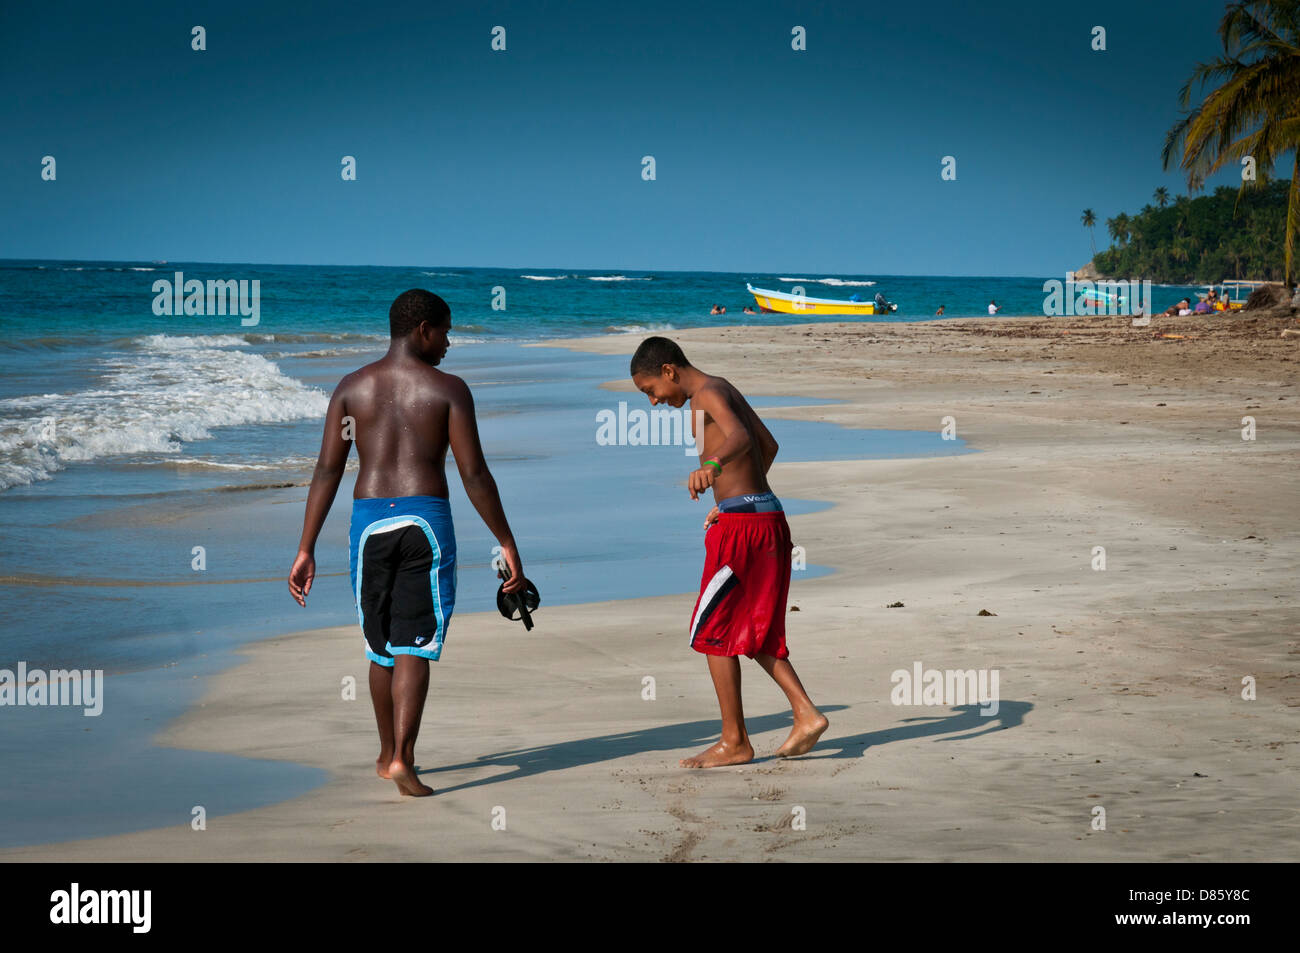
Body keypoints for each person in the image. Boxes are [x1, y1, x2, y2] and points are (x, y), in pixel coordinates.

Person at [288, 289, 526, 797]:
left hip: (368, 522)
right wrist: (506, 540)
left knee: (380, 650)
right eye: (445, 331)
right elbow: (474, 474)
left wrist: (306, 547)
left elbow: (328, 469)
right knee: (414, 643)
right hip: (425, 522)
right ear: (423, 330)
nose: (448, 343)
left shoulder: (351, 388)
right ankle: (403, 759)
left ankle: (384, 754)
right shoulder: (448, 390)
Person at [629, 337, 828, 768]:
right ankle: (806, 714)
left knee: (712, 630)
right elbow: (767, 445)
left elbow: (739, 437)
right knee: (753, 629)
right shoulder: (723, 387)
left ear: (668, 370)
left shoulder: (707, 394)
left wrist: (714, 469)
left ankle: (734, 740)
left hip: (742, 532)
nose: (653, 403)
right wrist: (734, 495)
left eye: (650, 391)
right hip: (766, 517)